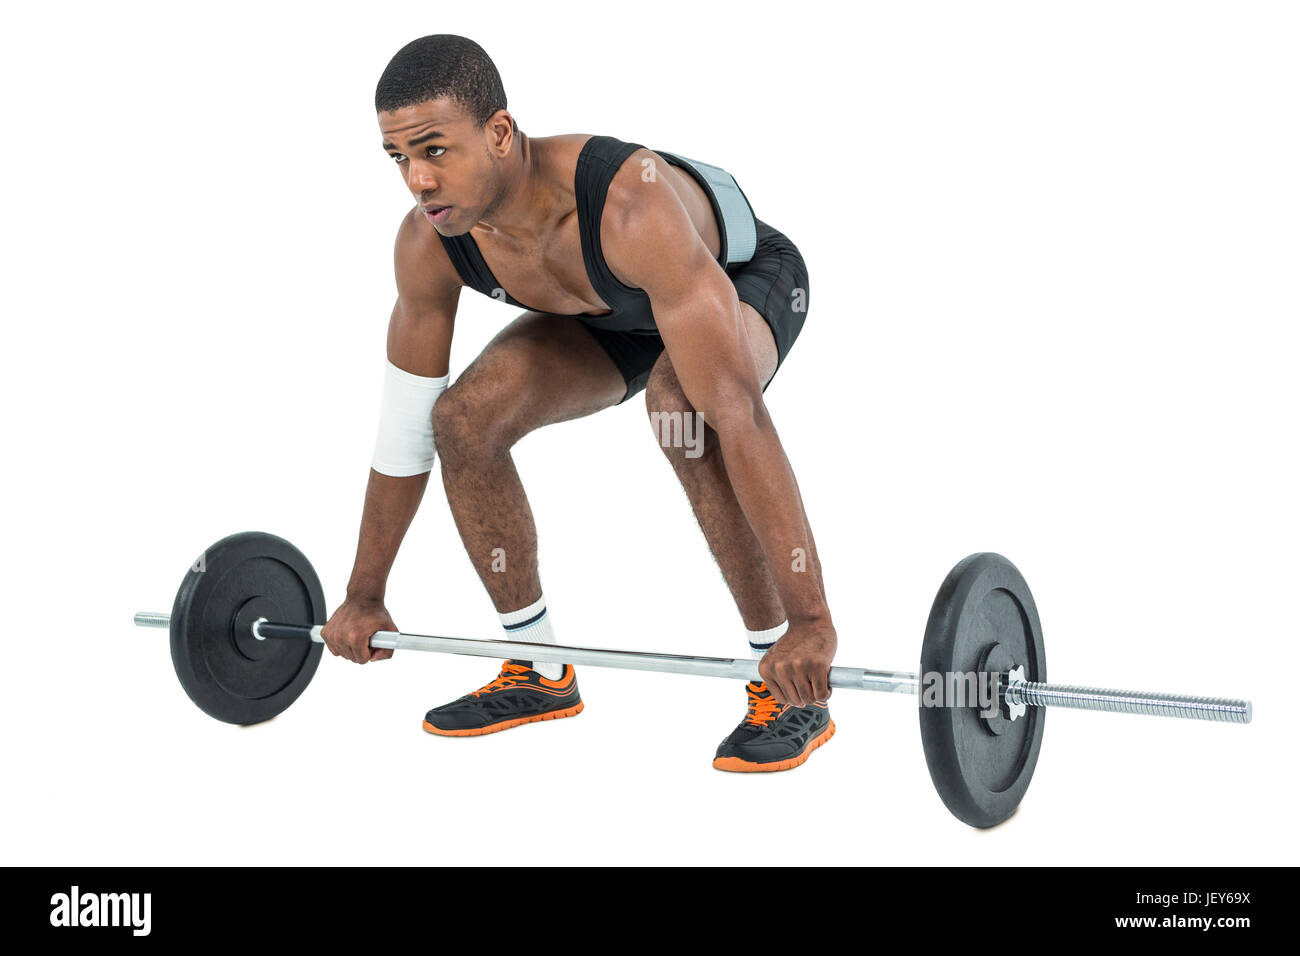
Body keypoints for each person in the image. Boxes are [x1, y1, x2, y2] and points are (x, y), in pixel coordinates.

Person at [320, 34, 837, 772]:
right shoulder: (428, 243)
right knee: (463, 420)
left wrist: (813, 621)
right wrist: (363, 595)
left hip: (742, 279)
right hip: (608, 316)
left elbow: (737, 414)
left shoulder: (629, 203)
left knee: (681, 406)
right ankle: (538, 669)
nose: (417, 180)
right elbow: (404, 433)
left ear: (500, 133)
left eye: (435, 151)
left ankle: (786, 688)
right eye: (399, 157)